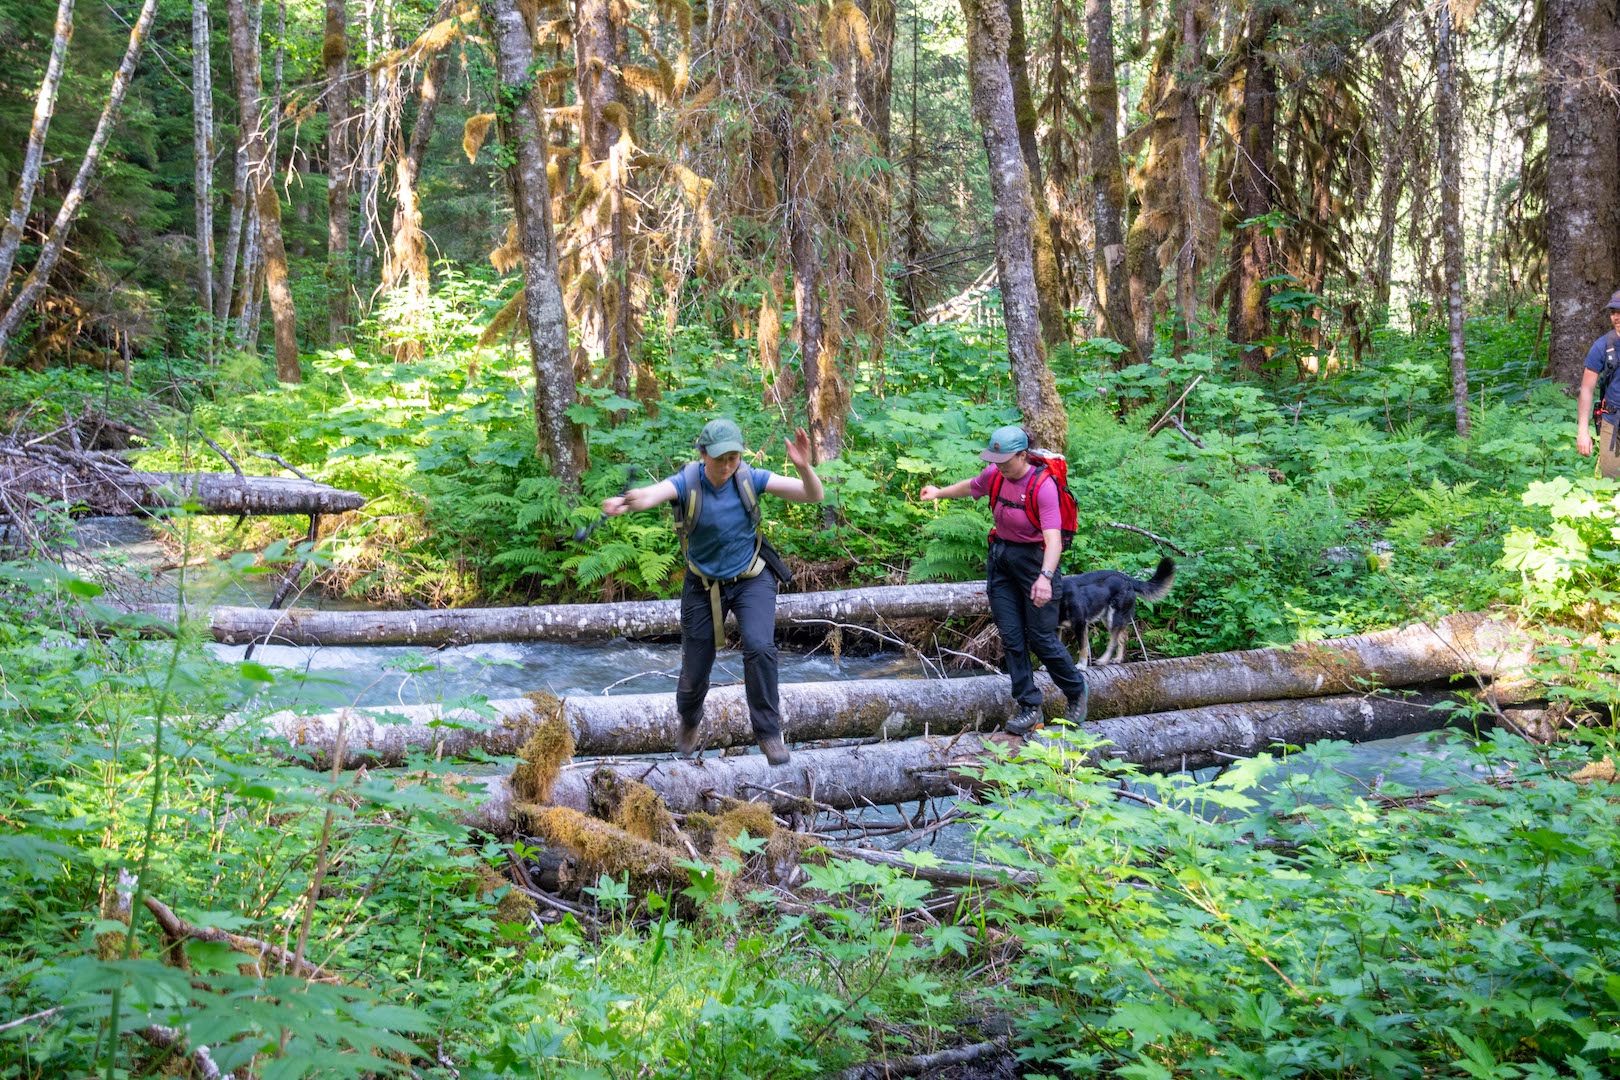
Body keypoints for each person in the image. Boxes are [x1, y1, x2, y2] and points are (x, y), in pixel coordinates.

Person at [601, 419, 823, 765]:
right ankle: (690, 719)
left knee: (760, 646)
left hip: (752, 576)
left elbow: (813, 495)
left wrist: (804, 468)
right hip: (702, 584)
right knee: (695, 670)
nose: (727, 465)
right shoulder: (688, 482)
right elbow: (651, 495)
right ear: (703, 454)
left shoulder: (750, 478)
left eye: (733, 457)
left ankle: (768, 733)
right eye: (720, 458)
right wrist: (626, 502)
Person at [921, 424, 1088, 736]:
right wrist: (938, 492)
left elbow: (1054, 540)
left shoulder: (1044, 486)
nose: (998, 465)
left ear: (1023, 455)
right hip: (1001, 563)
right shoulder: (995, 475)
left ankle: (1076, 691)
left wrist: (1045, 578)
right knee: (1011, 638)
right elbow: (971, 485)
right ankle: (1029, 706)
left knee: (1041, 639)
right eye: (995, 459)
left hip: (1036, 563)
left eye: (1005, 460)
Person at [1577, 289, 1620, 479]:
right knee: (1610, 485)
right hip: (1611, 423)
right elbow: (1586, 390)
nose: (1616, 317)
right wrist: (1582, 432)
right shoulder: (1602, 346)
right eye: (1613, 312)